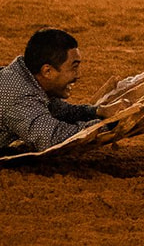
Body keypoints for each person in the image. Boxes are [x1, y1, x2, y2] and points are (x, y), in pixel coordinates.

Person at [0, 29, 131, 155]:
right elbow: (53, 138)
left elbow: (59, 111)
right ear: (47, 71)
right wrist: (109, 124)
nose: (78, 75)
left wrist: (99, 111)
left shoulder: (26, 77)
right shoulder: (17, 93)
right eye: (74, 67)